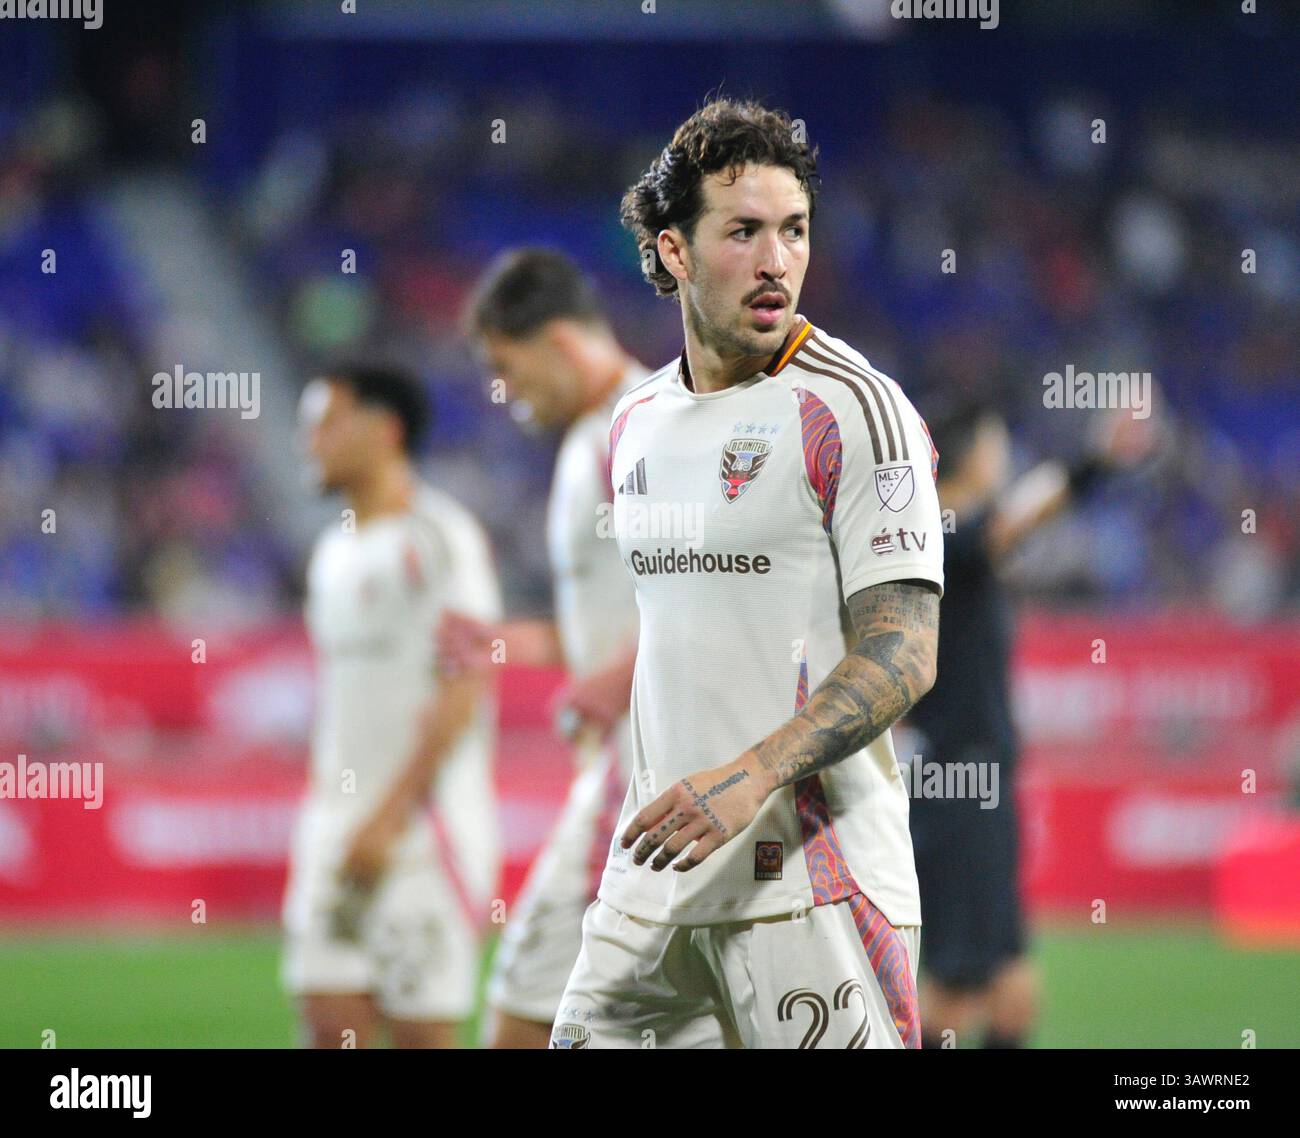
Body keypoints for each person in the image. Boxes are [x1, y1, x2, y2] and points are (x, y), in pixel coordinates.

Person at [550, 97, 944, 1049]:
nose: (778, 261)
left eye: (795, 230)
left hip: (813, 887)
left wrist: (747, 777)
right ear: (675, 252)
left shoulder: (858, 409)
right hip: (653, 885)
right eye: (745, 232)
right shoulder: (634, 423)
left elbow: (903, 653)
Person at [907, 397, 1158, 1048]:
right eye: (996, 446)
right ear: (971, 457)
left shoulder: (951, 537)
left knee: (1012, 989)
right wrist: (1095, 464)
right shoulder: (942, 536)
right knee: (955, 988)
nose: (1004, 459)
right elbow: (1017, 520)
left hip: (979, 778)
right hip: (956, 781)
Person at [441, 248, 645, 1047]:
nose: (504, 391)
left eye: (508, 366)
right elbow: (615, 620)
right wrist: (510, 643)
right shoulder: (589, 440)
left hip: (644, 777)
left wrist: (613, 682)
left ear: (560, 343)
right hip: (634, 768)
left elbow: (717, 590)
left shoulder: (638, 428)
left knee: (526, 1006)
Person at [282, 365, 502, 1047]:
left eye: (325, 423)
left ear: (384, 430)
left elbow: (465, 685)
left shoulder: (439, 538)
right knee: (326, 1027)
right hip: (333, 833)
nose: (308, 442)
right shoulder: (329, 554)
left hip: (420, 840)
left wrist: (387, 816)